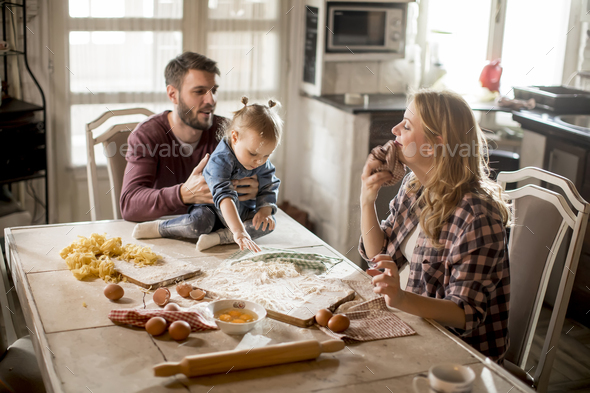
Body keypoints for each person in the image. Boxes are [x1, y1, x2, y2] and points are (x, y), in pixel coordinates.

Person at [359, 89, 511, 362]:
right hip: (414, 327)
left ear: (434, 145)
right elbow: (378, 254)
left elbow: (466, 313)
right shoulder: (414, 186)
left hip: (458, 359)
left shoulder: (477, 215)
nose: (394, 130)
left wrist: (401, 298)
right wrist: (366, 198)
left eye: (406, 126)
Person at [120, 52, 259, 223]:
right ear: (173, 95)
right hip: (162, 234)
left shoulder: (229, 131)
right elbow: (129, 204)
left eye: (213, 90)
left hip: (219, 233)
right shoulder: (147, 135)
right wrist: (183, 193)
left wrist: (254, 190)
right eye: (199, 91)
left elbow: (260, 184)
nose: (211, 100)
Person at [133, 97, 282, 253]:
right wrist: (238, 230)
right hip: (211, 210)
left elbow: (270, 183)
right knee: (198, 224)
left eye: (267, 155)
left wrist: (265, 210)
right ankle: (161, 228)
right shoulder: (220, 160)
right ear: (235, 138)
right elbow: (224, 196)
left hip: (242, 210)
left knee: (267, 224)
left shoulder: (260, 159)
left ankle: (218, 238)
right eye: (253, 153)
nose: (260, 161)